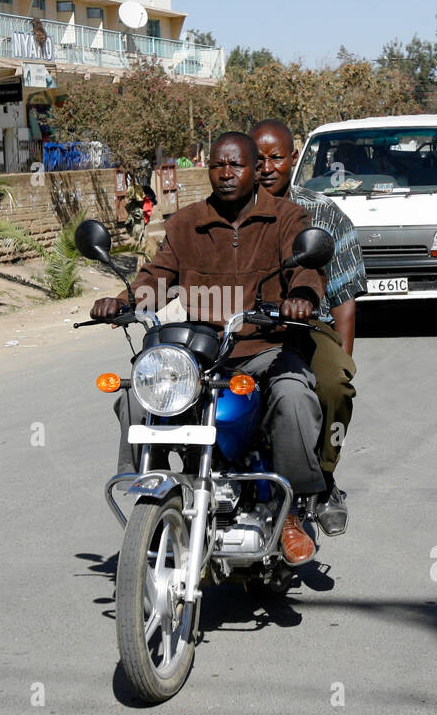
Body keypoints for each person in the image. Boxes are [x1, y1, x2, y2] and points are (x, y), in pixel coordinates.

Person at [90, 132, 328, 566]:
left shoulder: (288, 217)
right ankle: (153, 489)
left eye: (236, 165)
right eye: (217, 165)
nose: (225, 173)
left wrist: (302, 299)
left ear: (256, 170)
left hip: (265, 345)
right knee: (137, 393)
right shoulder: (186, 223)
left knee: (293, 396)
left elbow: (308, 269)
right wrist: (124, 301)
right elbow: (157, 277)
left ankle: (290, 510)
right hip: (203, 351)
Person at [252, 119, 365, 536]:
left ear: (293, 159)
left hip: (308, 328)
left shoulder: (324, 215)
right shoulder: (231, 212)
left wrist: (342, 360)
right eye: (258, 159)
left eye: (276, 158)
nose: (266, 167)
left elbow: (344, 299)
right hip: (243, 327)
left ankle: (323, 478)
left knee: (334, 386)